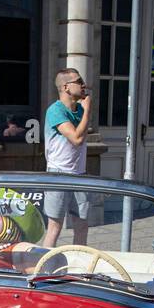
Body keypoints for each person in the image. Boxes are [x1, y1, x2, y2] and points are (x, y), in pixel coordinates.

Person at [43, 68, 92, 246]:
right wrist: (87, 112)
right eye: (79, 81)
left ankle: (78, 269)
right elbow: (77, 138)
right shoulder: (55, 111)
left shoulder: (79, 109)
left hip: (79, 174)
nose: (83, 85)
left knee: (82, 225)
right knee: (55, 227)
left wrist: (84, 111)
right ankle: (43, 270)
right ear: (66, 87)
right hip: (58, 174)